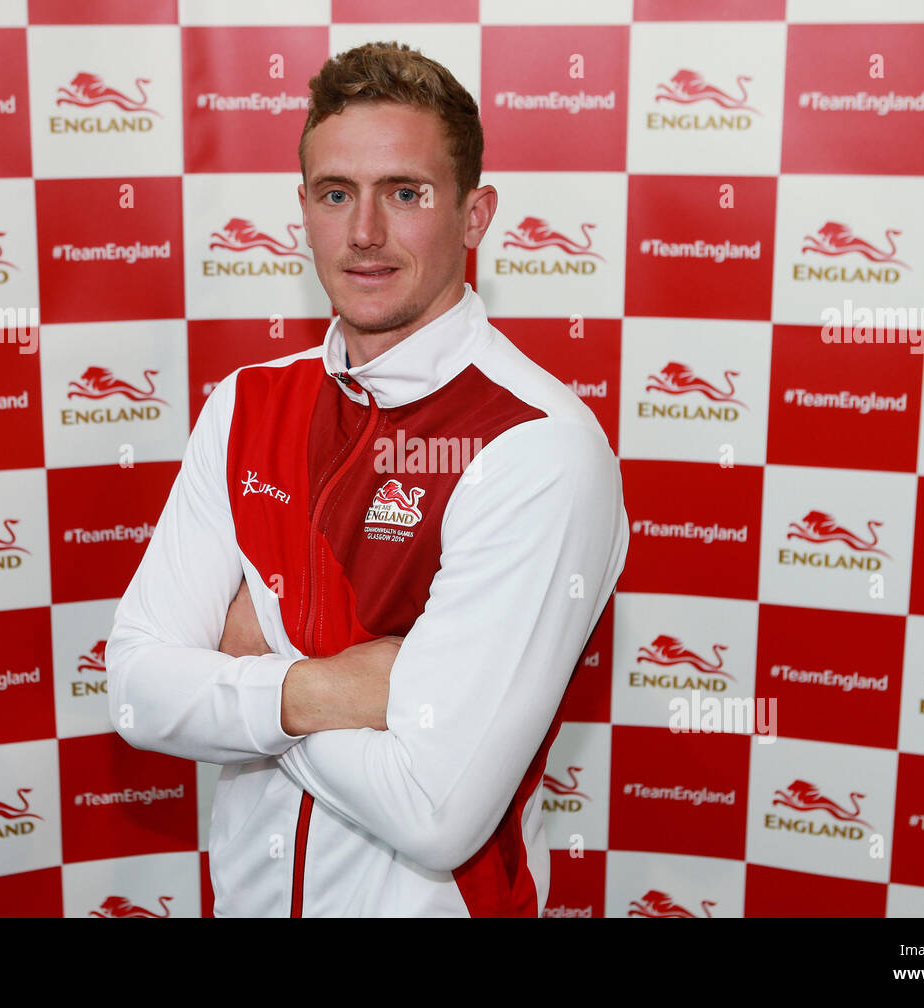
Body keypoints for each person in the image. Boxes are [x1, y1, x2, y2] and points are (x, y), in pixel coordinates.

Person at [106, 41, 628, 917]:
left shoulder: (538, 446)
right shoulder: (246, 404)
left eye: (406, 193)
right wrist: (319, 687)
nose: (365, 234)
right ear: (303, 208)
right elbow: (132, 692)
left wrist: (245, 665)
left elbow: (434, 810)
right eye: (336, 193)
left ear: (474, 214)